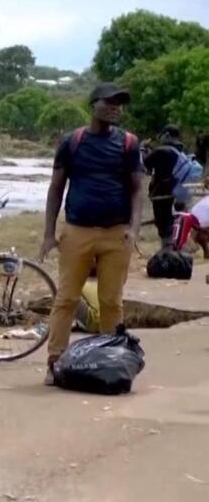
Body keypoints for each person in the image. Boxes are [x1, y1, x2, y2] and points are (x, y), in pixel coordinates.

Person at [41, 83, 144, 385]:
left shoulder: (129, 143)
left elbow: (137, 190)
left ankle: (110, 364)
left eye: (119, 104)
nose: (115, 108)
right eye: (109, 102)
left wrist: (134, 229)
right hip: (77, 232)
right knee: (66, 299)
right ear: (93, 105)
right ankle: (54, 363)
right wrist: (49, 234)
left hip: (116, 234)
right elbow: (56, 189)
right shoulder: (72, 142)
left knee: (111, 302)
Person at [144, 125, 187, 248]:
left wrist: (143, 149)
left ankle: (168, 251)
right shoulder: (181, 150)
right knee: (176, 221)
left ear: (167, 135)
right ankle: (178, 247)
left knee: (164, 224)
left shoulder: (161, 151)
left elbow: (144, 164)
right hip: (179, 191)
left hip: (161, 193)